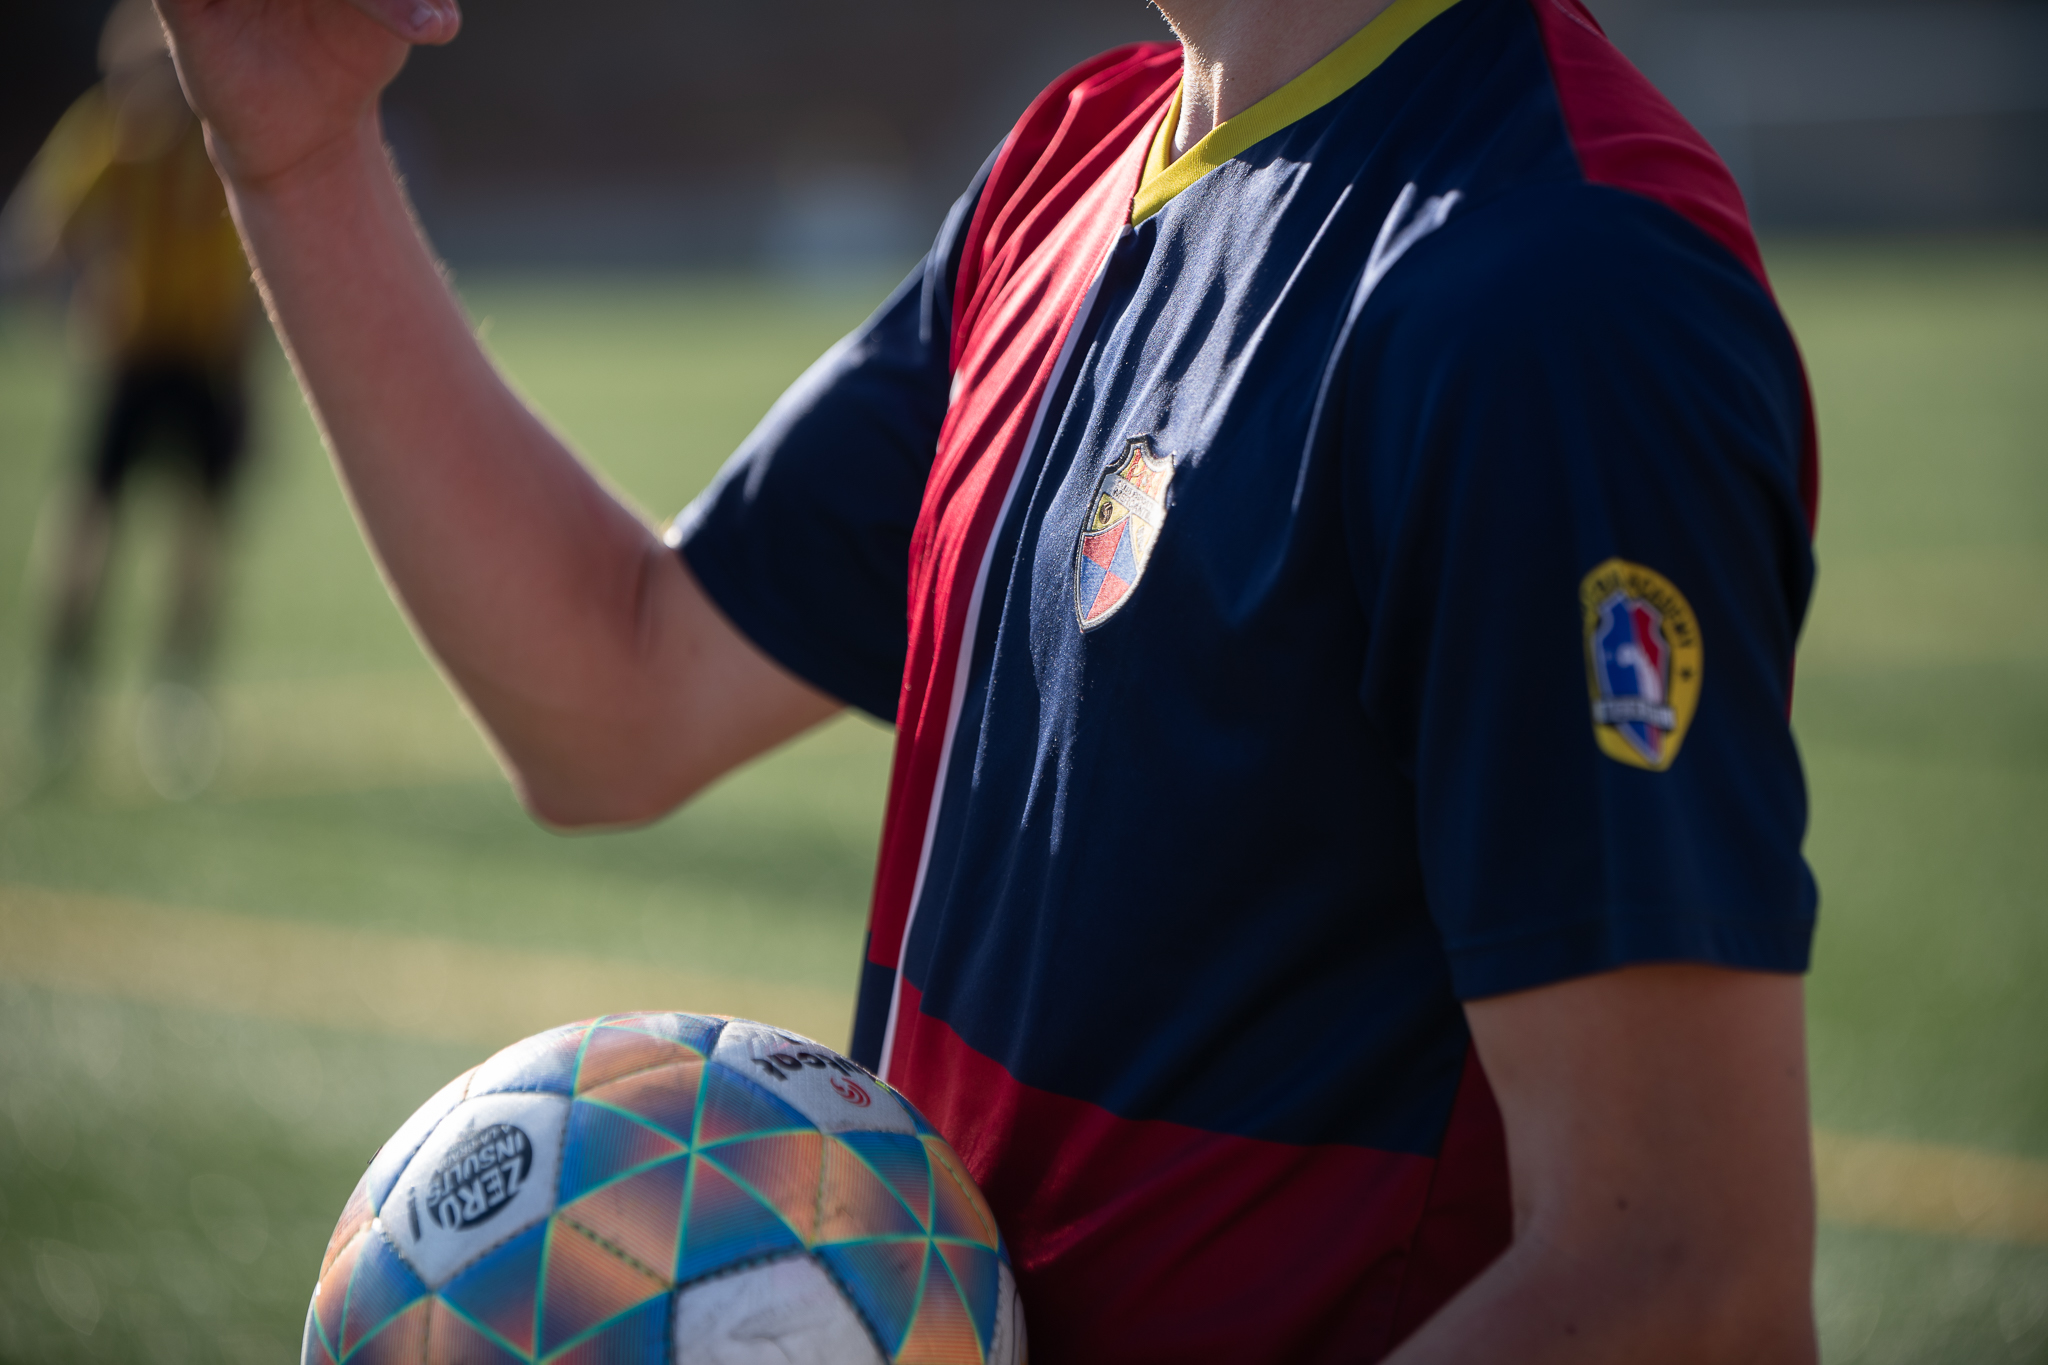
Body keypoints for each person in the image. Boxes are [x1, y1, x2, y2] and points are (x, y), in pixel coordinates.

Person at [153, 0, 1822, 1358]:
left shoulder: (1549, 297)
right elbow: (615, 695)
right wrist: (300, 154)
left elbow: (1679, 1287)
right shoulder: (1080, 162)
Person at [2, 0, 258, 796]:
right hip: (155, 355)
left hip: (183, 357)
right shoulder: (154, 137)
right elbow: (42, 237)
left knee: (178, 534)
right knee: (120, 526)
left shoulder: (132, 134)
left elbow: (38, 241)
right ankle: (97, 689)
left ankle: (133, 692)